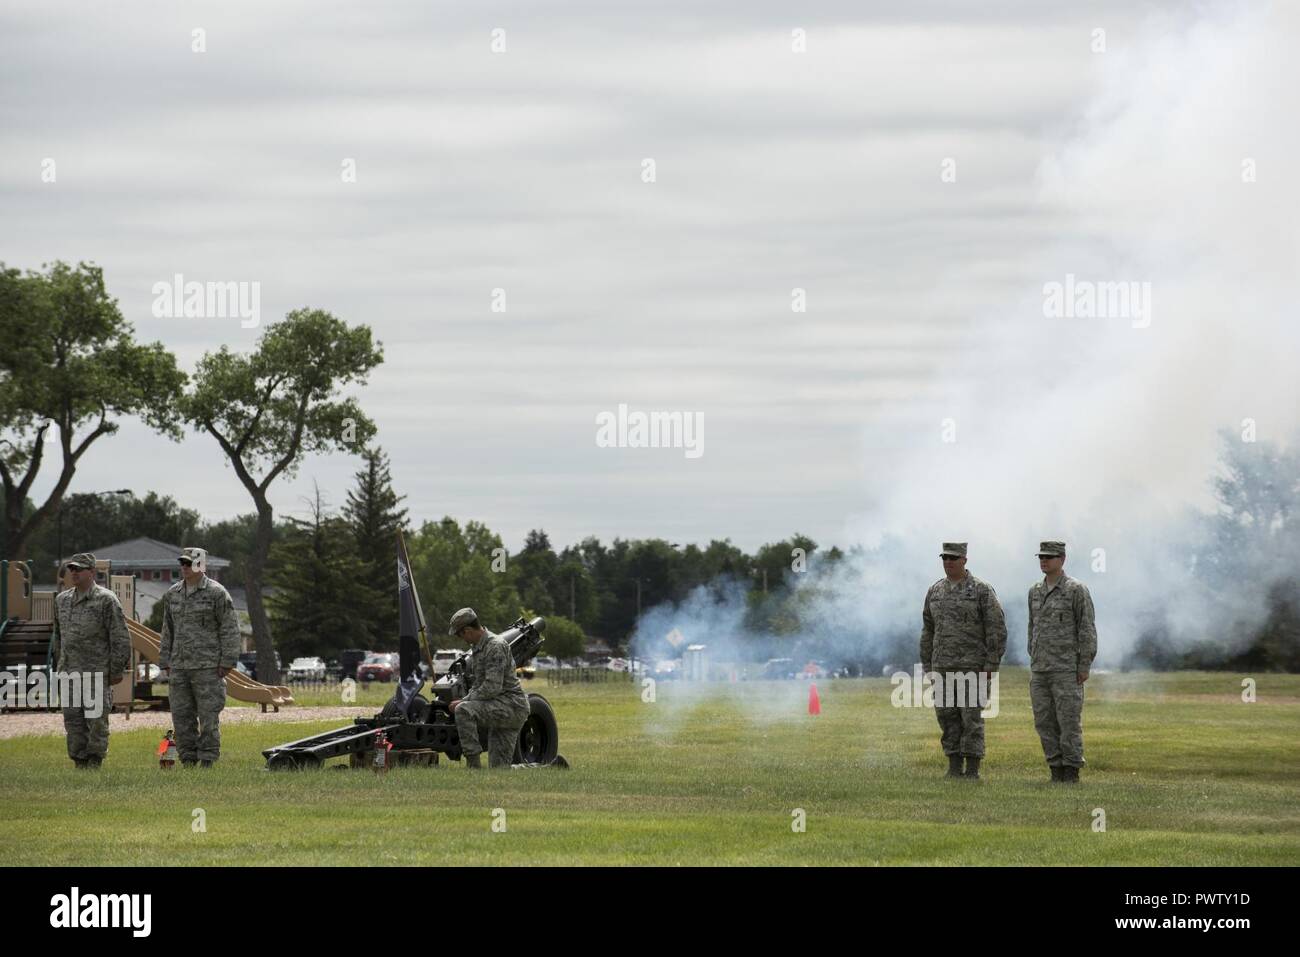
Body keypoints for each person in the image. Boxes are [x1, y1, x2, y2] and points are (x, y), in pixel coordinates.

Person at [919, 542, 1007, 780]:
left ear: (964, 560)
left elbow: (996, 628)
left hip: (973, 667)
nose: (948, 562)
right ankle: (954, 765)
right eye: (945, 558)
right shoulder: (935, 591)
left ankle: (973, 768)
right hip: (942, 667)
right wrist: (927, 664)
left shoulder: (981, 590)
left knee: (971, 718)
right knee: (947, 716)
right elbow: (928, 630)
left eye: (953, 558)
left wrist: (991, 663)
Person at [159, 547, 240, 767]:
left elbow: (229, 628)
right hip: (179, 666)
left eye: (189, 563)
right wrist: (165, 661)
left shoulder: (217, 593)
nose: (185, 567)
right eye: (182, 563)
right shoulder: (173, 594)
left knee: (208, 717)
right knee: (181, 717)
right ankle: (188, 759)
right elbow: (168, 629)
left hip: (208, 667)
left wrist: (228, 662)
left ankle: (207, 759)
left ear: (201, 565)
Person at [1027, 541, 1097, 783]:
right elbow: (1032, 627)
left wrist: (1084, 665)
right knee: (1043, 721)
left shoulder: (1076, 590)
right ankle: (1055, 768)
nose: (1044, 560)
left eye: (1049, 557)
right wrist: (1033, 657)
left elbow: (1086, 629)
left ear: (1062, 559)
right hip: (1040, 669)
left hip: (1066, 668)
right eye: (1041, 557)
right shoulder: (1035, 591)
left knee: (1068, 721)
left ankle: (1071, 770)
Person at [53, 553, 129, 769]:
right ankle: (79, 761)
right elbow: (58, 636)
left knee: (96, 721)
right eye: (72, 569)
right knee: (73, 719)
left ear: (92, 572)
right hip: (69, 671)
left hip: (97, 672)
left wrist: (115, 671)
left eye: (79, 569)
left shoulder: (106, 600)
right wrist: (59, 665)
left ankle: (95, 761)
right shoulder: (62, 600)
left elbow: (120, 637)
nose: (74, 572)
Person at [447, 607, 530, 769]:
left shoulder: (494, 646)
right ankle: (552, 766)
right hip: (501, 707)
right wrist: (465, 699)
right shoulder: (479, 648)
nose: (460, 638)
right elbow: (479, 684)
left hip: (511, 706)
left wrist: (463, 702)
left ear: (468, 630)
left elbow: (492, 687)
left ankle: (473, 767)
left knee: (464, 710)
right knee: (499, 770)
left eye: (459, 634)